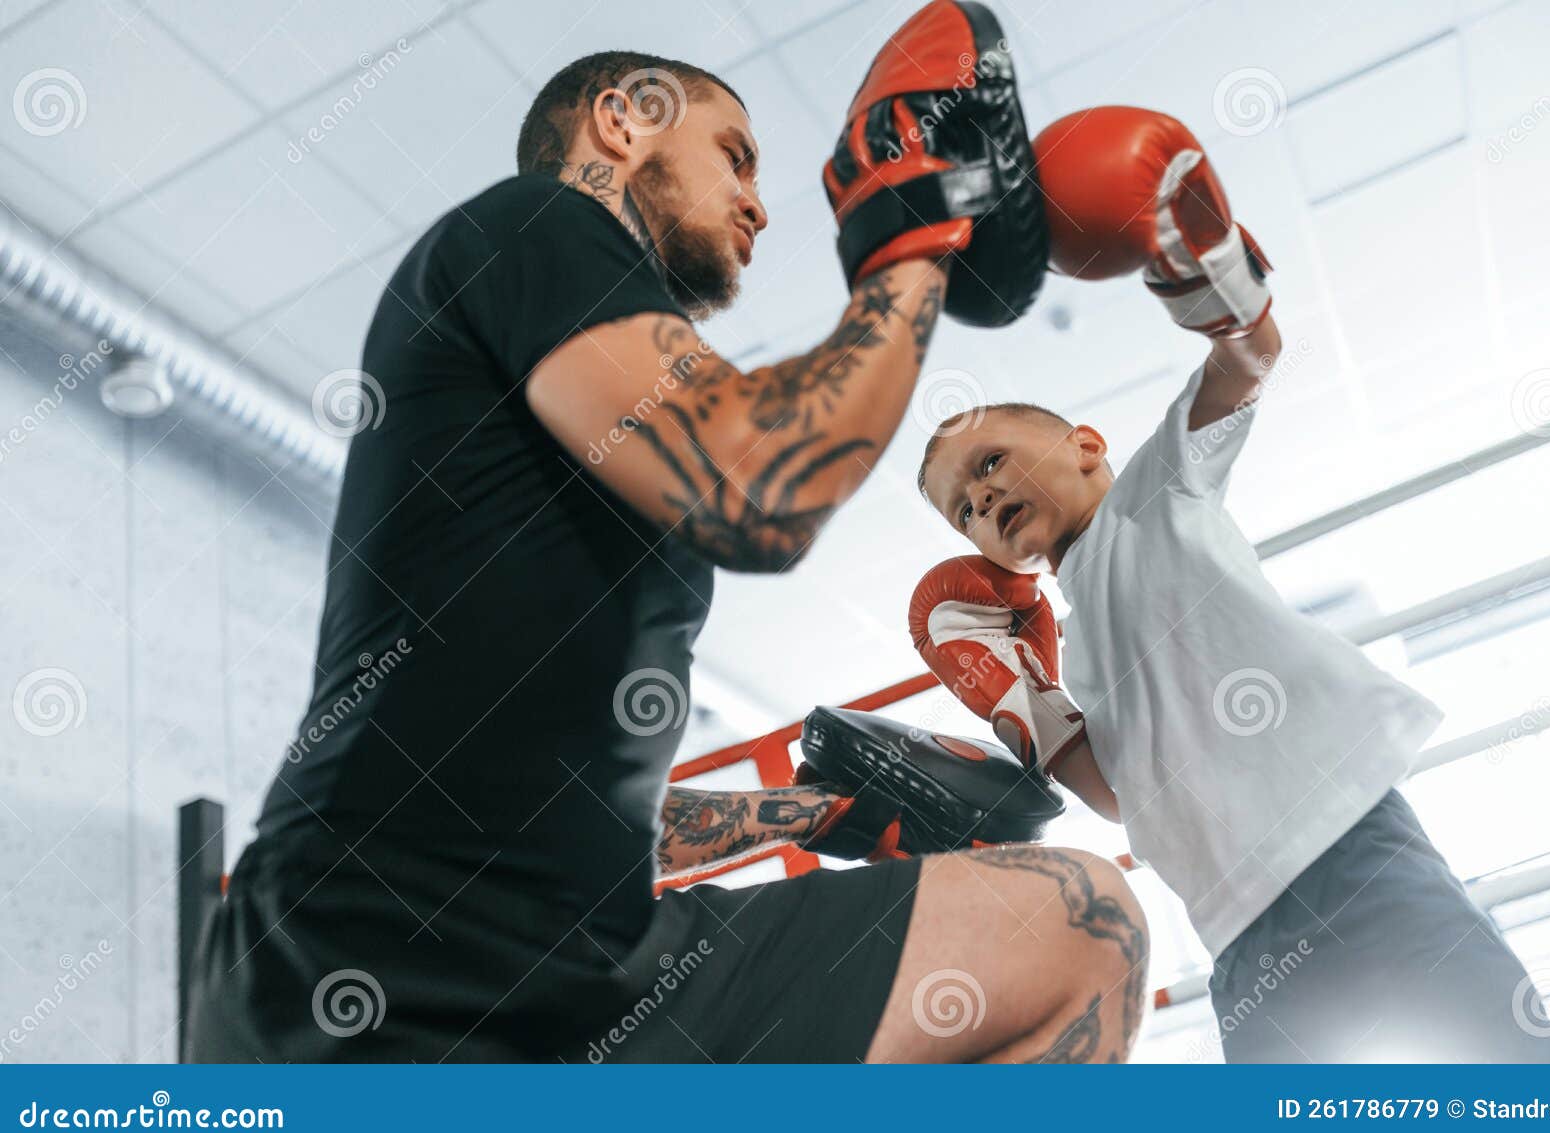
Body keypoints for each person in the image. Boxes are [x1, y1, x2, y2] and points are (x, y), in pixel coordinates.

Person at [183, 2, 1149, 1065]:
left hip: (580, 961)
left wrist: (800, 812)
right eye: (732, 155)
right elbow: (759, 487)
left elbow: (562, 799)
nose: (756, 202)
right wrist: (911, 222)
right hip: (374, 963)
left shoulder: (592, 418)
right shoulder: (532, 225)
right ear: (622, 119)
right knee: (1078, 917)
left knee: (1072, 929)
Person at [912, 105, 1550, 1063]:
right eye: (962, 512)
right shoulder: (1079, 654)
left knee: (1512, 1080)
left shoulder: (1155, 494)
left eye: (989, 464)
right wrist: (1018, 695)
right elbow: (1113, 797)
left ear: (1085, 448)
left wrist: (1206, 264)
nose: (981, 501)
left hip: (1351, 851)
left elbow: (1249, 359)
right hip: (1237, 934)